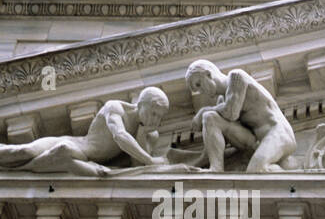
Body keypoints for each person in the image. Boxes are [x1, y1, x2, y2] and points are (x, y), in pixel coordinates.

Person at [0, 88, 171, 176]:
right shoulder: (116, 107)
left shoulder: (150, 134)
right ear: (141, 104)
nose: (155, 120)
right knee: (25, 151)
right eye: (153, 113)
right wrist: (150, 160)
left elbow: (137, 168)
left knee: (55, 155)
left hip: (79, 157)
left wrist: (142, 132)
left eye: (159, 117)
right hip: (76, 145)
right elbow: (119, 136)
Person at [186, 60, 296, 172]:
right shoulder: (222, 101)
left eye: (198, 84)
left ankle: (291, 175)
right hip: (255, 141)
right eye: (197, 89)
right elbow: (215, 141)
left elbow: (231, 113)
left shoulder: (236, 77)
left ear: (208, 74)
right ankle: (216, 168)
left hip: (278, 133)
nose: (201, 91)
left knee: (256, 170)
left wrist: (202, 111)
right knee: (210, 117)